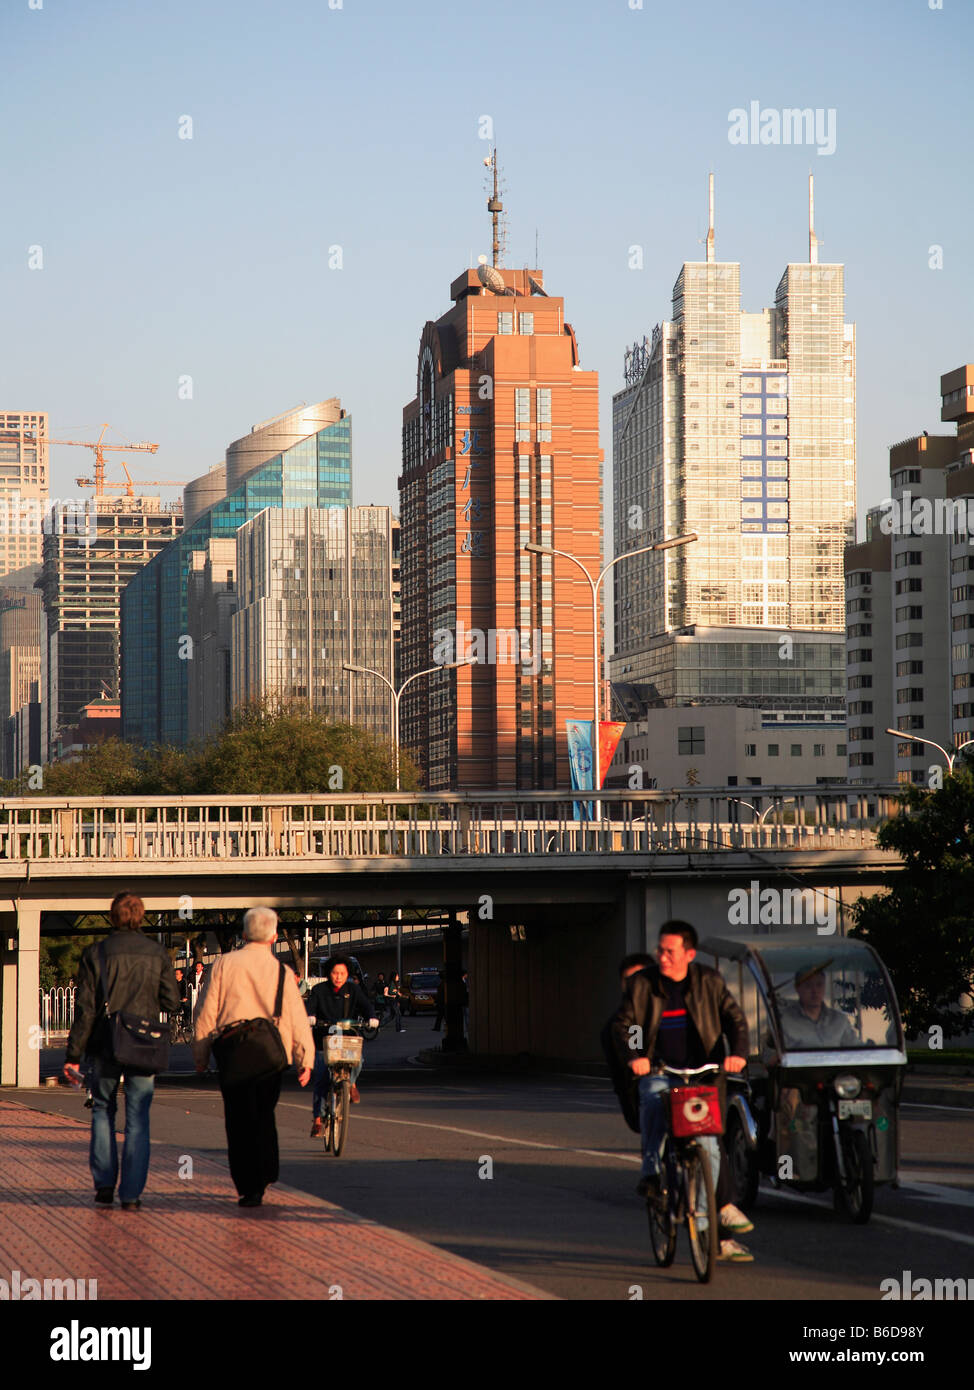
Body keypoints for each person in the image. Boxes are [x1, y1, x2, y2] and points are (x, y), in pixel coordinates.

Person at [603, 950, 755, 1262]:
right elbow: (628, 1061)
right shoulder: (624, 1023)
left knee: (709, 1141)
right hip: (648, 1099)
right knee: (661, 1122)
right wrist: (639, 1062)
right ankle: (655, 1177)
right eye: (631, 982)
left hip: (689, 1086)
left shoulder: (679, 1004)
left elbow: (720, 1027)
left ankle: (717, 1223)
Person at [63, 892, 182, 1210]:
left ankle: (104, 1185)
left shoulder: (95, 953)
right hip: (142, 1045)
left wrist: (73, 1054)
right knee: (138, 1118)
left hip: (105, 1044)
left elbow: (85, 1009)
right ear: (141, 916)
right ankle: (131, 1194)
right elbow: (172, 1002)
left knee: (102, 1110)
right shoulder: (156, 953)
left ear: (112, 917)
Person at [193, 907, 313, 1207]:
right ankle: (266, 1172)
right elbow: (298, 1019)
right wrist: (305, 1058)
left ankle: (248, 1186)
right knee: (264, 1114)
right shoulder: (283, 973)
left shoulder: (223, 965)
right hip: (270, 1055)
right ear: (274, 937)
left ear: (243, 934)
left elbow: (207, 1012)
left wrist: (200, 1053)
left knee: (237, 1119)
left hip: (233, 1055)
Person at [305, 956, 377, 1134]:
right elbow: (310, 1007)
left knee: (358, 1061)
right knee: (321, 1077)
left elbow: (366, 1006)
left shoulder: (353, 989)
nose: (338, 977)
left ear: (348, 974)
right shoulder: (319, 990)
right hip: (324, 1040)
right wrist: (311, 1017)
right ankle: (318, 1119)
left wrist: (372, 1018)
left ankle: (351, 1084)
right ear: (329, 973)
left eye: (342, 973)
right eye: (335, 973)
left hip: (347, 1037)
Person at [778, 967, 860, 1049]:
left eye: (819, 985)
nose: (815, 991)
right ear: (797, 988)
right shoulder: (784, 1020)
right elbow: (771, 1058)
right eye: (808, 985)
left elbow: (858, 1052)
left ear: (824, 986)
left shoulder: (839, 1020)